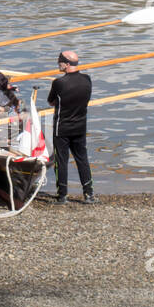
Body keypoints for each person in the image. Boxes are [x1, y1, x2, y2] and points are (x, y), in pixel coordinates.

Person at [47, 50, 94, 204]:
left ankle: (62, 195)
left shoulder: (59, 82)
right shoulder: (87, 79)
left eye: (59, 61)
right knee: (82, 159)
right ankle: (89, 194)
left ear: (66, 64)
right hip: (80, 126)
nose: (57, 64)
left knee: (61, 161)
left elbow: (51, 102)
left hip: (62, 128)